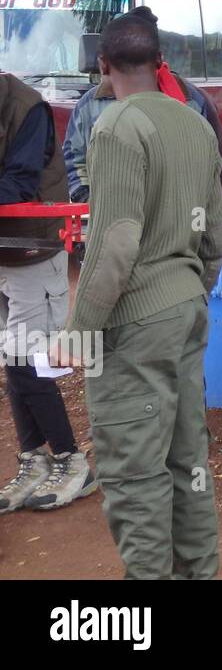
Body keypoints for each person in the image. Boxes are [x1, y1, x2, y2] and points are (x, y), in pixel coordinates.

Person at [54, 12, 222, 580]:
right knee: (187, 464)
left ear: (103, 67)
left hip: (136, 322)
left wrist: (79, 330)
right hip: (186, 310)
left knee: (135, 475)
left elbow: (116, 240)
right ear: (159, 65)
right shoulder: (195, 124)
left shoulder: (115, 127)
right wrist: (190, 294)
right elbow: (213, 239)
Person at [0, 70, 96, 513]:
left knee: (27, 360)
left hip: (33, 250)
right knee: (11, 359)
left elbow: (18, 183)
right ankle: (34, 460)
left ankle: (73, 462)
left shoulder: (26, 106)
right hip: (5, 251)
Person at [62, 6, 222, 225]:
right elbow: (74, 162)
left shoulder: (191, 99)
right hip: (112, 222)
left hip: (178, 227)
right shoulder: (89, 105)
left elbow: (218, 169)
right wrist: (95, 202)